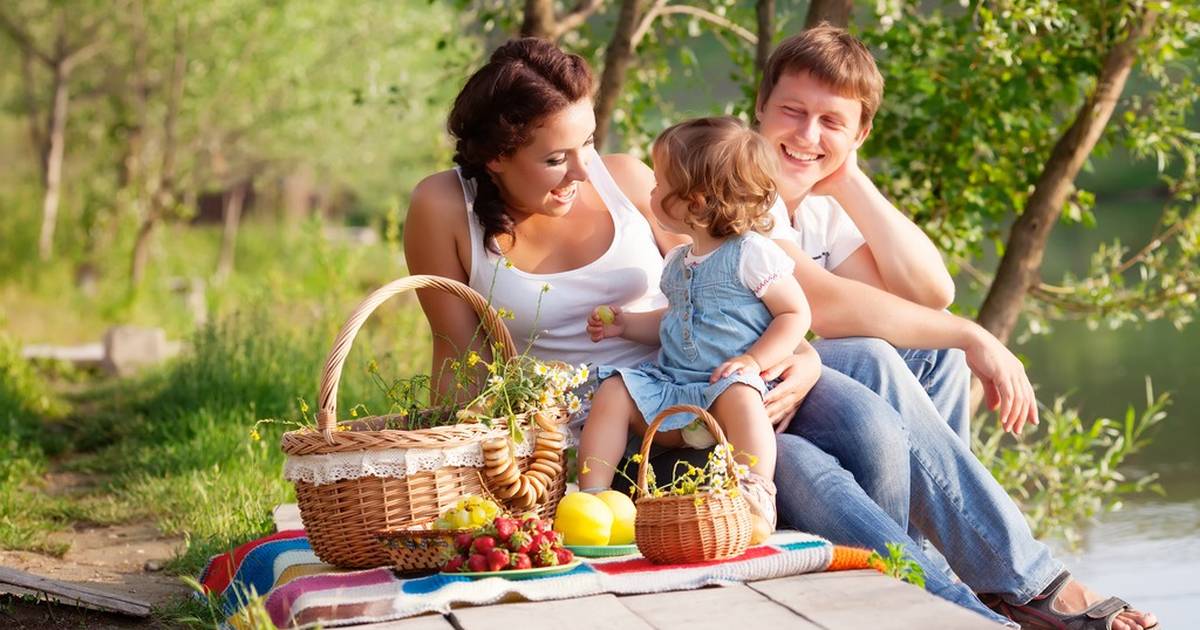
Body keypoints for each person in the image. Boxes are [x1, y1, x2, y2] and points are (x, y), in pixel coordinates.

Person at [402, 37, 1155, 630]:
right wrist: (470, 471)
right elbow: (457, 359)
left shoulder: (626, 179)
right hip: (625, 426)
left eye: (588, 142)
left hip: (716, 377)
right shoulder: (444, 208)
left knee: (871, 391)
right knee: (802, 466)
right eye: (555, 157)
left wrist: (817, 353)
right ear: (496, 155)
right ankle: (964, 611)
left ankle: (1031, 585)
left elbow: (759, 288)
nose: (581, 169)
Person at [750, 25, 1155, 630]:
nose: (808, 136)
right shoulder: (737, 186)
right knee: (877, 354)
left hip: (789, 388)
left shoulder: (816, 206)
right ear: (760, 107)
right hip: (738, 393)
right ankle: (1028, 581)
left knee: (934, 352)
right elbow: (826, 305)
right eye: (793, 112)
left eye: (832, 122)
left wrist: (851, 179)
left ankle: (960, 569)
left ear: (860, 135)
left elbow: (929, 291)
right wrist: (974, 334)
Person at [580, 117, 810, 536]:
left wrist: (753, 360)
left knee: (740, 393)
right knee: (614, 389)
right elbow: (674, 322)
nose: (650, 192)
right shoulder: (677, 261)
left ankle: (753, 493)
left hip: (725, 389)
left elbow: (795, 314)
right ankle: (592, 498)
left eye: (659, 185)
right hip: (676, 387)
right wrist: (625, 326)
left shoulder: (751, 254)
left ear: (696, 203)